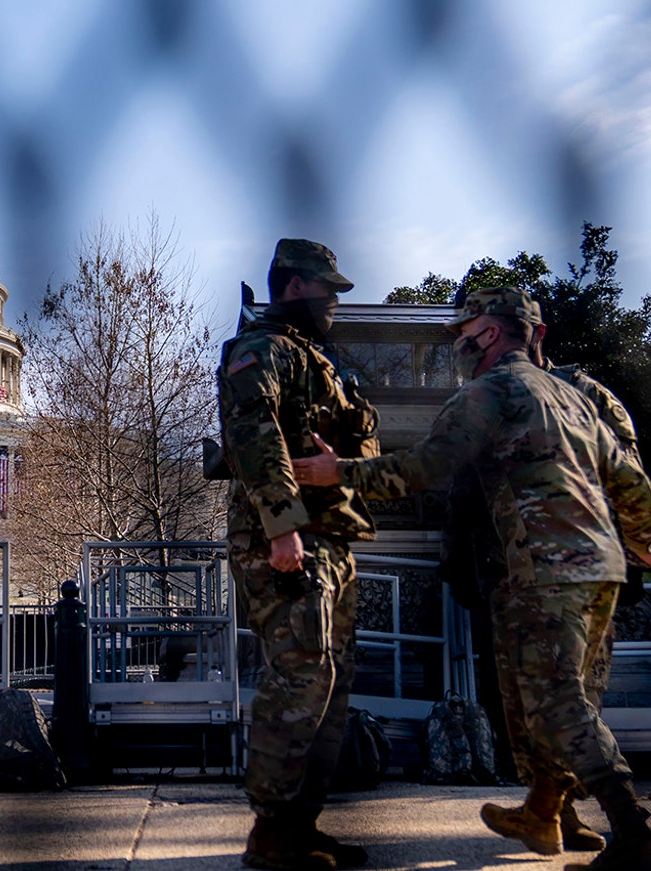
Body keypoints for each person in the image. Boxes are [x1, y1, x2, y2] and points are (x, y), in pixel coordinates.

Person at [295, 287, 651, 871]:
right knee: (538, 699)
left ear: (490, 334)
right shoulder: (572, 399)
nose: (459, 348)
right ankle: (544, 814)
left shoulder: (488, 393)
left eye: (464, 336)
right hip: (600, 569)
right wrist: (642, 543)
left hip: (542, 570)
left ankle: (634, 830)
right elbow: (630, 480)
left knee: (559, 701)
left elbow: (421, 467)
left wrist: (335, 472)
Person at [451, 297, 651, 855]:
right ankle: (549, 813)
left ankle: (599, 821)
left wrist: (635, 550)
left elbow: (623, 473)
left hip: (571, 570)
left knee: (572, 696)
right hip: (505, 571)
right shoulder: (480, 393)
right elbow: (462, 488)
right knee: (524, 705)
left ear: (534, 331)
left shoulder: (584, 394)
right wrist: (459, 562)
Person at [216, 238, 380, 871]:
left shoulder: (325, 363)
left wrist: (342, 467)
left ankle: (301, 825)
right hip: (284, 542)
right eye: (327, 291)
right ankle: (271, 832)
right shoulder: (260, 350)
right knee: (300, 678)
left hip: (332, 540)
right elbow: (253, 434)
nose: (335, 303)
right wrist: (283, 527)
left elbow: (365, 445)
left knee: (330, 686)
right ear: (293, 287)